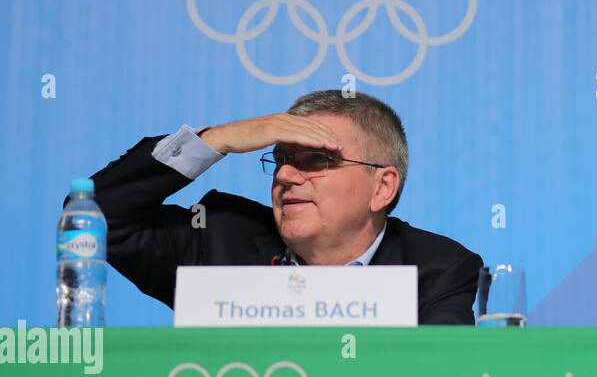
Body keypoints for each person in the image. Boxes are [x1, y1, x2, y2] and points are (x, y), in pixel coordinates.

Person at [83, 90, 482, 325]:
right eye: (281, 159)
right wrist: (218, 139)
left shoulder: (438, 271)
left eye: (316, 160)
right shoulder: (219, 238)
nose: (287, 175)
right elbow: (93, 218)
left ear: (382, 188)